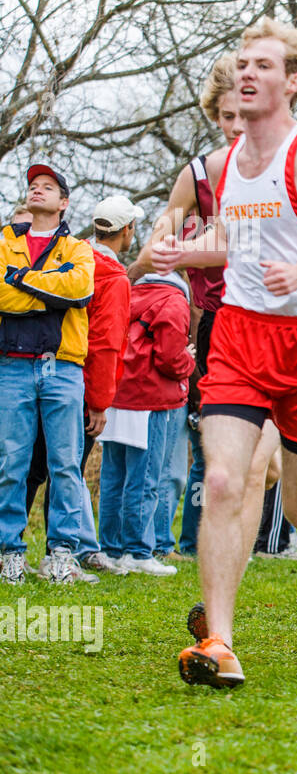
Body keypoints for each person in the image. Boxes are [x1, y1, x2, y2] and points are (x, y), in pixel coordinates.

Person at [150, 17, 297, 687]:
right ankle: (219, 642)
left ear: (294, 80)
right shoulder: (225, 166)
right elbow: (239, 245)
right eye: (242, 63)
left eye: (264, 65)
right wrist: (184, 252)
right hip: (238, 337)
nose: (248, 73)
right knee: (225, 479)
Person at [138, 53, 245, 560]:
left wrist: (183, 249)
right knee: (212, 434)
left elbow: (239, 244)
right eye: (226, 116)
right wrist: (156, 248)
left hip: (275, 316)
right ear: (214, 115)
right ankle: (197, 539)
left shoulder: (281, 169)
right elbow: (166, 224)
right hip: (218, 320)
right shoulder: (199, 174)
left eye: (244, 113)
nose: (235, 126)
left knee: (268, 458)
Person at [25, 194, 133, 576]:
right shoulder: (115, 278)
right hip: (77, 384)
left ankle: (15, 549)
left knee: (30, 466)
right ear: (127, 231)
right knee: (67, 468)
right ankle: (65, 552)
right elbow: (105, 343)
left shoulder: (69, 257)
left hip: (35, 368)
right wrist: (100, 401)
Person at [0, 165, 95, 585]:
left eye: (48, 187)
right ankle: (9, 553)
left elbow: (80, 290)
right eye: (33, 186)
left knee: (65, 465)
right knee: (10, 463)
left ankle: (62, 554)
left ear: (64, 202)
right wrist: (48, 293)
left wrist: (20, 282)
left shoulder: (79, 249)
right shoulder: (4, 242)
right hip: (12, 365)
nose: (38, 190)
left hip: (63, 366)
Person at [98, 270, 195, 575]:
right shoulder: (174, 302)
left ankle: (111, 547)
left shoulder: (129, 294)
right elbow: (170, 358)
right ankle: (138, 551)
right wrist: (189, 359)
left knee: (114, 476)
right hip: (152, 398)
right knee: (146, 477)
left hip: (119, 395)